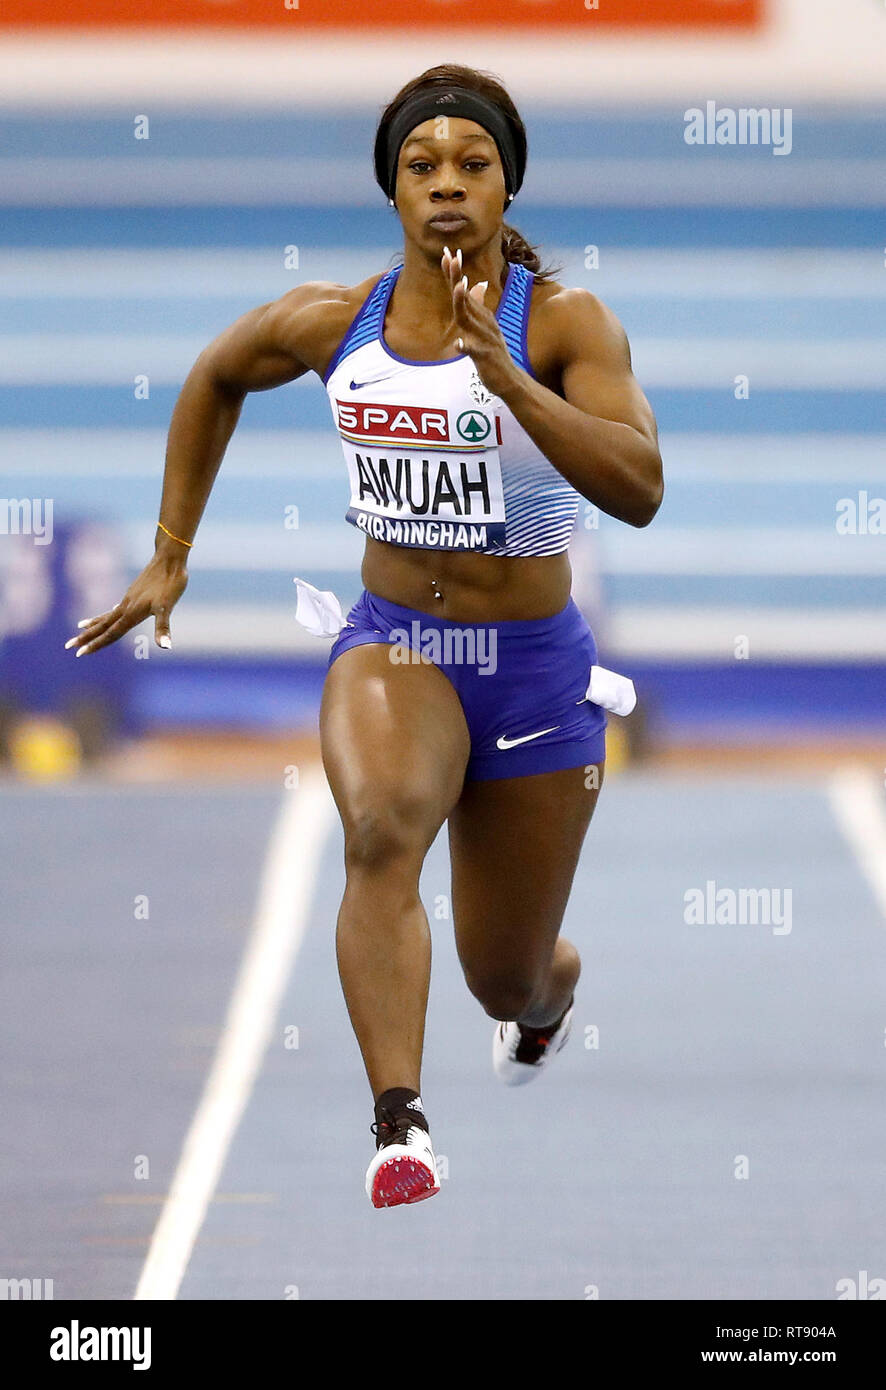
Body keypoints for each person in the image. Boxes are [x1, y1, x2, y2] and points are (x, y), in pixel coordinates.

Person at [65, 63, 663, 1209]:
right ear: (392, 191)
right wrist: (169, 550)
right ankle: (401, 1124)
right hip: (395, 645)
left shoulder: (566, 324)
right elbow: (215, 373)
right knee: (380, 828)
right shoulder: (341, 320)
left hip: (534, 668)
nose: (446, 185)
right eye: (420, 167)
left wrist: (511, 383)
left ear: (505, 186)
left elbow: (639, 485)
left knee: (505, 972)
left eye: (471, 166)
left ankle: (549, 997)